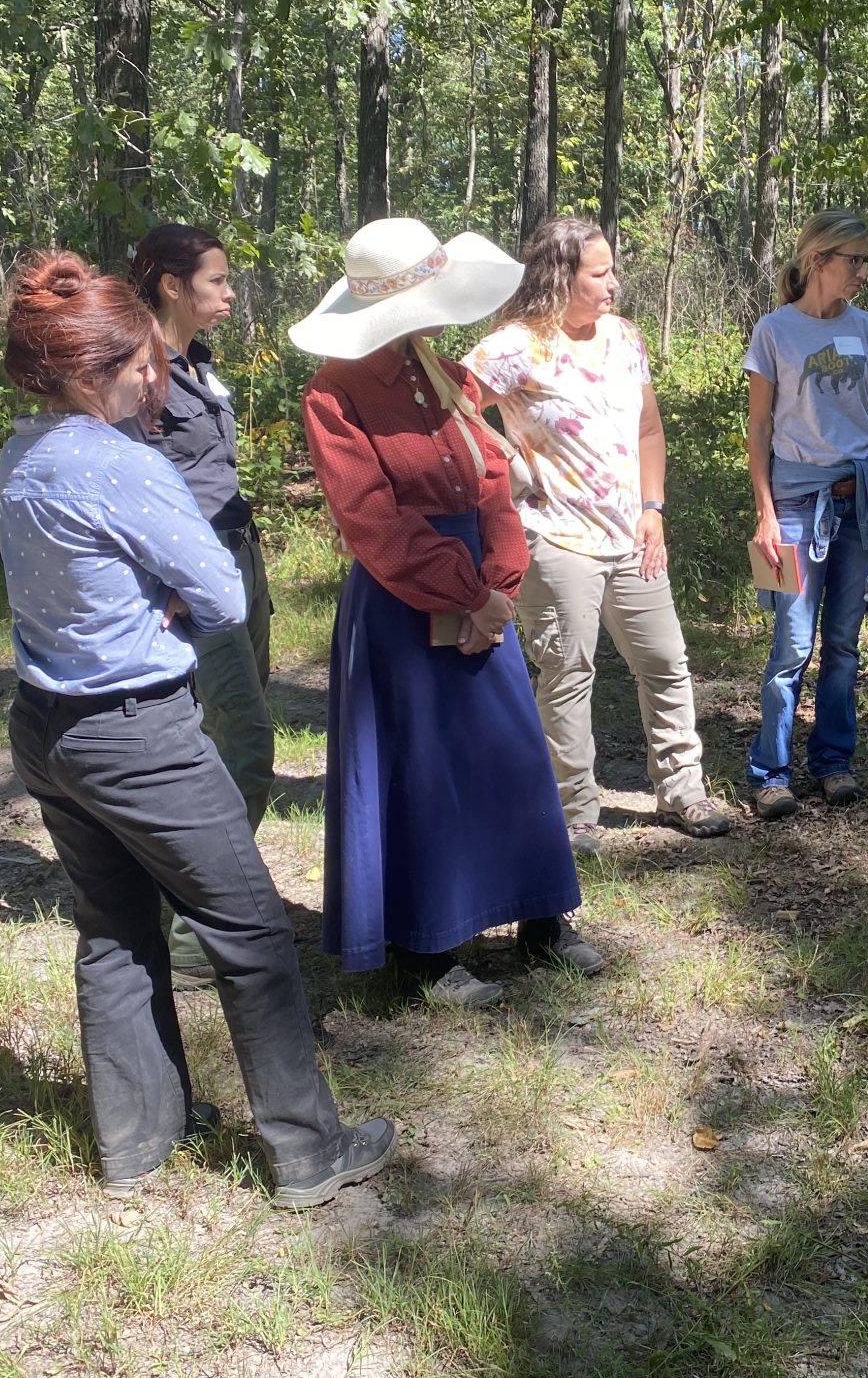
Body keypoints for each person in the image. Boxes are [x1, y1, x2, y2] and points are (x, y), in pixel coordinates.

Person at [0, 250, 393, 1208]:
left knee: (115, 930)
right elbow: (219, 593)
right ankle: (307, 1150)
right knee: (249, 929)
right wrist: (166, 598)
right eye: (139, 366)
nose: (154, 379)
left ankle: (138, 1141)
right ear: (95, 371)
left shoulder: (23, 450)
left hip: (48, 728)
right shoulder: (124, 464)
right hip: (139, 733)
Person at [293, 217, 598, 1008]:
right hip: (401, 604)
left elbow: (495, 479)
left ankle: (541, 922)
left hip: (481, 596)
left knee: (510, 755)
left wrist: (497, 587)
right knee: (422, 771)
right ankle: (429, 954)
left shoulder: (447, 373)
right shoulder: (335, 393)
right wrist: (469, 593)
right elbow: (374, 522)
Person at [463, 218, 731, 855]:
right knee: (566, 673)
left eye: (612, 269)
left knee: (666, 661)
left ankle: (682, 787)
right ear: (561, 277)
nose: (614, 282)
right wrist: (509, 458)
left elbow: (648, 433)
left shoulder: (624, 338)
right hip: (553, 538)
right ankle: (574, 809)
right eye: (600, 271)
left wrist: (653, 508)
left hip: (633, 534)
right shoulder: (513, 346)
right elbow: (453, 408)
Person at [127, 223, 272, 991]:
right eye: (216, 279)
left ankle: (195, 902)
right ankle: (188, 942)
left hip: (239, 556)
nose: (228, 292)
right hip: (194, 575)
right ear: (173, 285)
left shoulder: (198, 360)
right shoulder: (140, 369)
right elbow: (133, 485)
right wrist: (172, 578)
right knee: (246, 748)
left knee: (230, 740)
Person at [743, 209, 868, 820]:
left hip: (860, 500)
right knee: (792, 643)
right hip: (793, 503)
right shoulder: (774, 332)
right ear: (818, 260)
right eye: (855, 260)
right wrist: (764, 513)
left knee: (843, 642)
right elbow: (759, 425)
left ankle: (834, 762)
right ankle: (770, 770)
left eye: (867, 260)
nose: (864, 272)